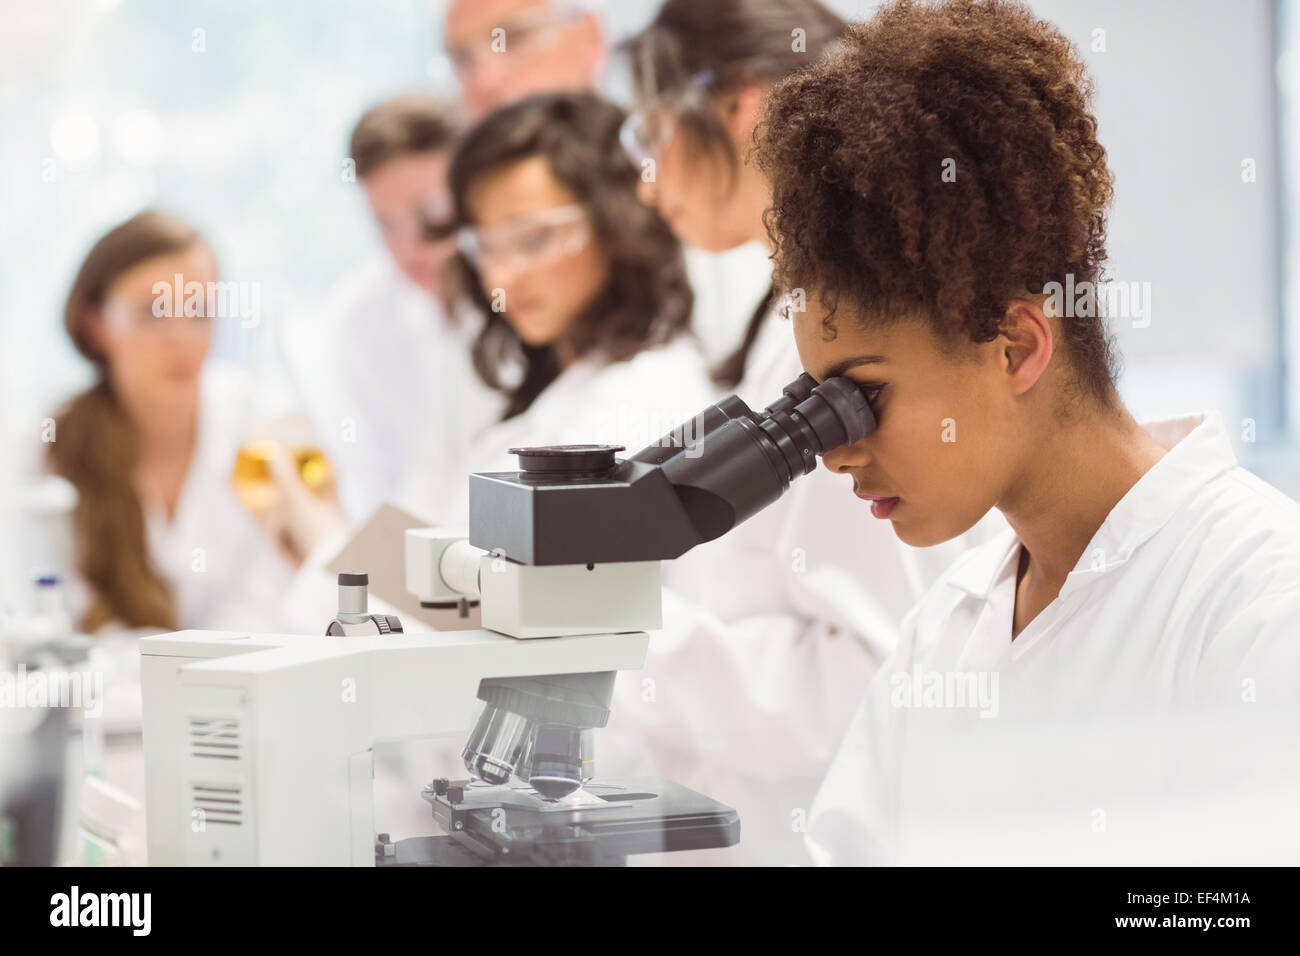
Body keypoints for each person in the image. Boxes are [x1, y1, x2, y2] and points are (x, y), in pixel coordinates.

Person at [751, 0, 1300, 864]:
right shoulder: (946, 631)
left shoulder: (1258, 602)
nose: (835, 450)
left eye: (861, 396)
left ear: (1016, 347)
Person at [597, 0, 1007, 866]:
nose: (645, 181)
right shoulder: (778, 317)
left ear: (740, 105)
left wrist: (611, 647)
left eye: (649, 135)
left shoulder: (850, 339)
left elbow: (872, 674)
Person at [397, 90, 715, 523]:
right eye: (486, 247)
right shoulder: (539, 390)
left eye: (534, 239)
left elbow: (520, 579)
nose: (501, 279)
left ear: (614, 222)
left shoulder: (646, 396)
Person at [46, 211, 294, 635]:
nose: (180, 337)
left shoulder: (261, 428)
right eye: (152, 314)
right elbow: (54, 621)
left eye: (198, 311)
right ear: (95, 325)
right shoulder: (51, 448)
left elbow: (273, 601)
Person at [277, 92, 502, 527]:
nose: (408, 246)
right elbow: (375, 484)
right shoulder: (356, 321)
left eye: (431, 213)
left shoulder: (522, 294)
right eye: (386, 223)